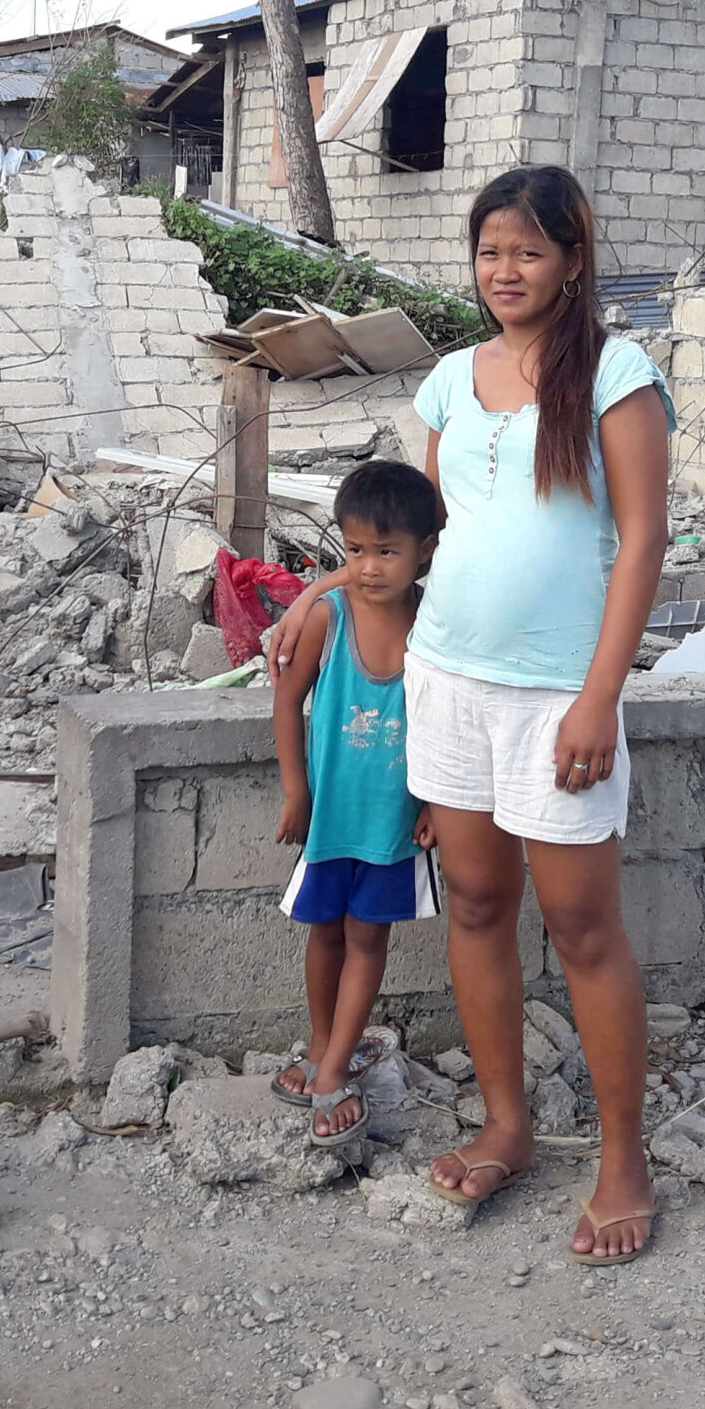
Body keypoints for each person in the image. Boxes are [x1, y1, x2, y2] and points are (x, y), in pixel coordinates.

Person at [274, 166, 672, 1264]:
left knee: (584, 927)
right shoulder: (450, 380)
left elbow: (642, 543)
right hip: (445, 688)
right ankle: (509, 1124)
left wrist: (601, 694)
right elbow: (422, 542)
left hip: (556, 699)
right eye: (490, 250)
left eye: (529, 251)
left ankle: (624, 1161)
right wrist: (320, 591)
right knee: (477, 907)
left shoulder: (618, 377)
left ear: (573, 261)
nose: (506, 270)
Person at [269, 460, 442, 1146]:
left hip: (395, 822)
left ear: (425, 551)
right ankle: (322, 1048)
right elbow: (287, 702)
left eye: (388, 551)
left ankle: (335, 1066)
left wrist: (434, 804)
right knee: (325, 933)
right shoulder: (328, 618)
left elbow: (445, 718)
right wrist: (296, 790)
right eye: (356, 551)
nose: (370, 567)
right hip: (332, 818)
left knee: (369, 939)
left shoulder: (434, 621)